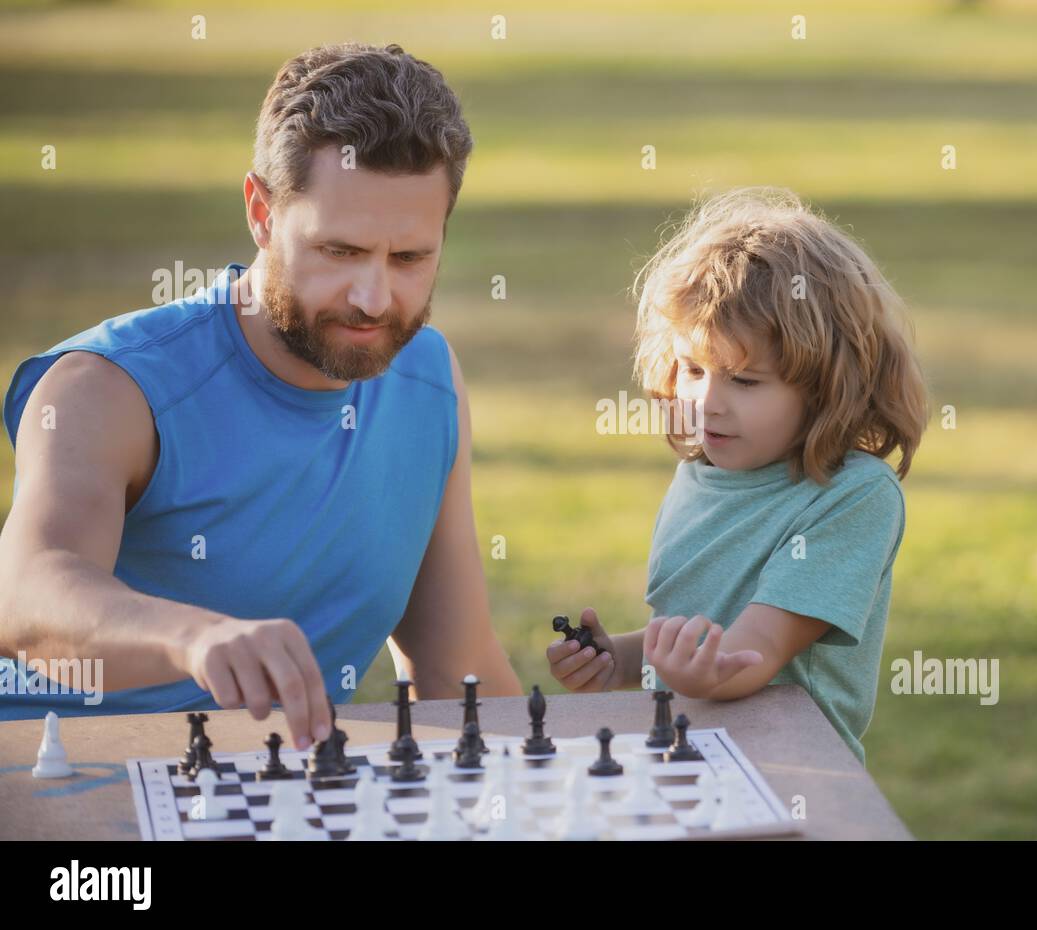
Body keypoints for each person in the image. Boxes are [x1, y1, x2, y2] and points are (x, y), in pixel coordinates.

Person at [0, 43, 521, 751]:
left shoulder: (427, 379)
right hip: (51, 793)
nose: (374, 299)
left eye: (409, 258)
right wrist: (194, 637)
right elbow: (25, 599)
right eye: (340, 251)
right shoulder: (107, 387)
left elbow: (456, 667)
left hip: (268, 800)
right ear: (261, 212)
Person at [546, 187, 929, 764]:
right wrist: (616, 661)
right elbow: (694, 640)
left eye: (745, 381)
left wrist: (688, 670)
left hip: (790, 769)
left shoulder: (853, 496)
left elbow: (750, 654)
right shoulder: (700, 475)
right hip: (687, 756)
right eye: (693, 369)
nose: (706, 403)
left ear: (828, 386)